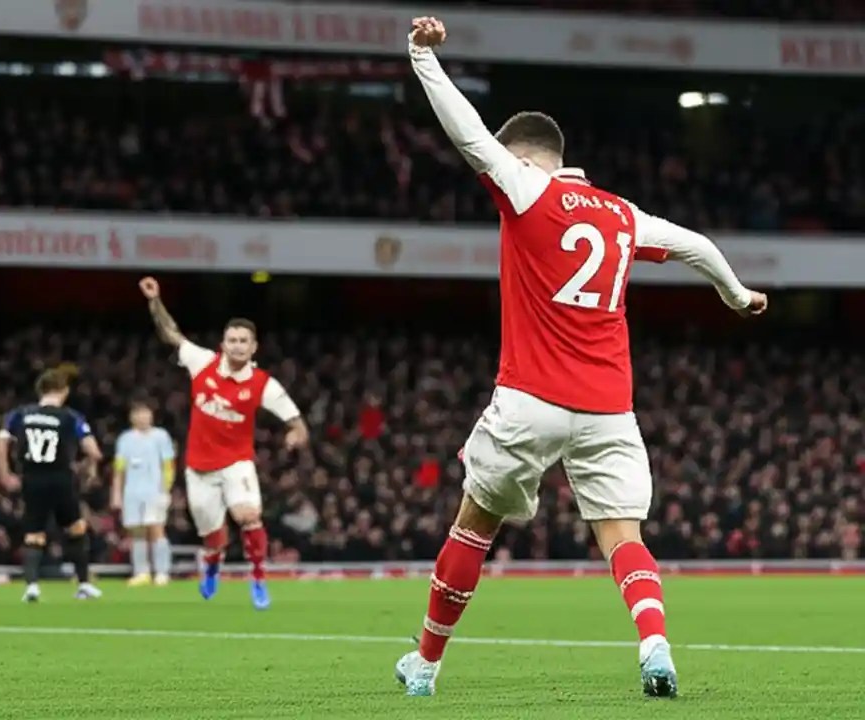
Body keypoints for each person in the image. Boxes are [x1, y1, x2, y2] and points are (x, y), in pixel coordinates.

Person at [394, 17, 768, 700]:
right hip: (608, 408)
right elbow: (696, 244)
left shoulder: (526, 186)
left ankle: (424, 664)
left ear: (527, 158)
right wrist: (737, 295)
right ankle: (655, 644)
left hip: (530, 399)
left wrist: (421, 57)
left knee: (474, 522)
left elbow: (465, 130)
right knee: (622, 536)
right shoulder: (623, 214)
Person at [138, 276, 310, 610]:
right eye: (232, 340)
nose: (238, 346)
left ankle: (258, 578)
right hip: (199, 466)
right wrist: (154, 300)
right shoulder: (202, 362)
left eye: (244, 341)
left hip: (237, 461)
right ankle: (213, 564)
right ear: (223, 343)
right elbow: (171, 334)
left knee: (248, 514)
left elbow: (297, 421)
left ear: (253, 347)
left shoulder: (263, 384)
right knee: (213, 536)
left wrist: (296, 434)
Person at [0, 365, 104, 602]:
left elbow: (1, 442)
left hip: (31, 478)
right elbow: (94, 452)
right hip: (61, 478)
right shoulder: (70, 416)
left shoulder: (20, 414)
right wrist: (86, 469)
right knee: (75, 528)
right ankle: (83, 585)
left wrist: (4, 472)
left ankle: (32, 587)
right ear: (63, 391)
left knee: (34, 532)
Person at [110, 398, 178, 586]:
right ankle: (142, 572)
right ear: (132, 417)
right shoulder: (125, 439)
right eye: (138, 413)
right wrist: (116, 494)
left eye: (145, 413)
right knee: (137, 532)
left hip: (154, 490)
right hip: (132, 492)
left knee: (156, 529)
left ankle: (162, 571)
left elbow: (168, 464)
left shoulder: (161, 436)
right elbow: (119, 469)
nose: (142, 417)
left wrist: (166, 488)